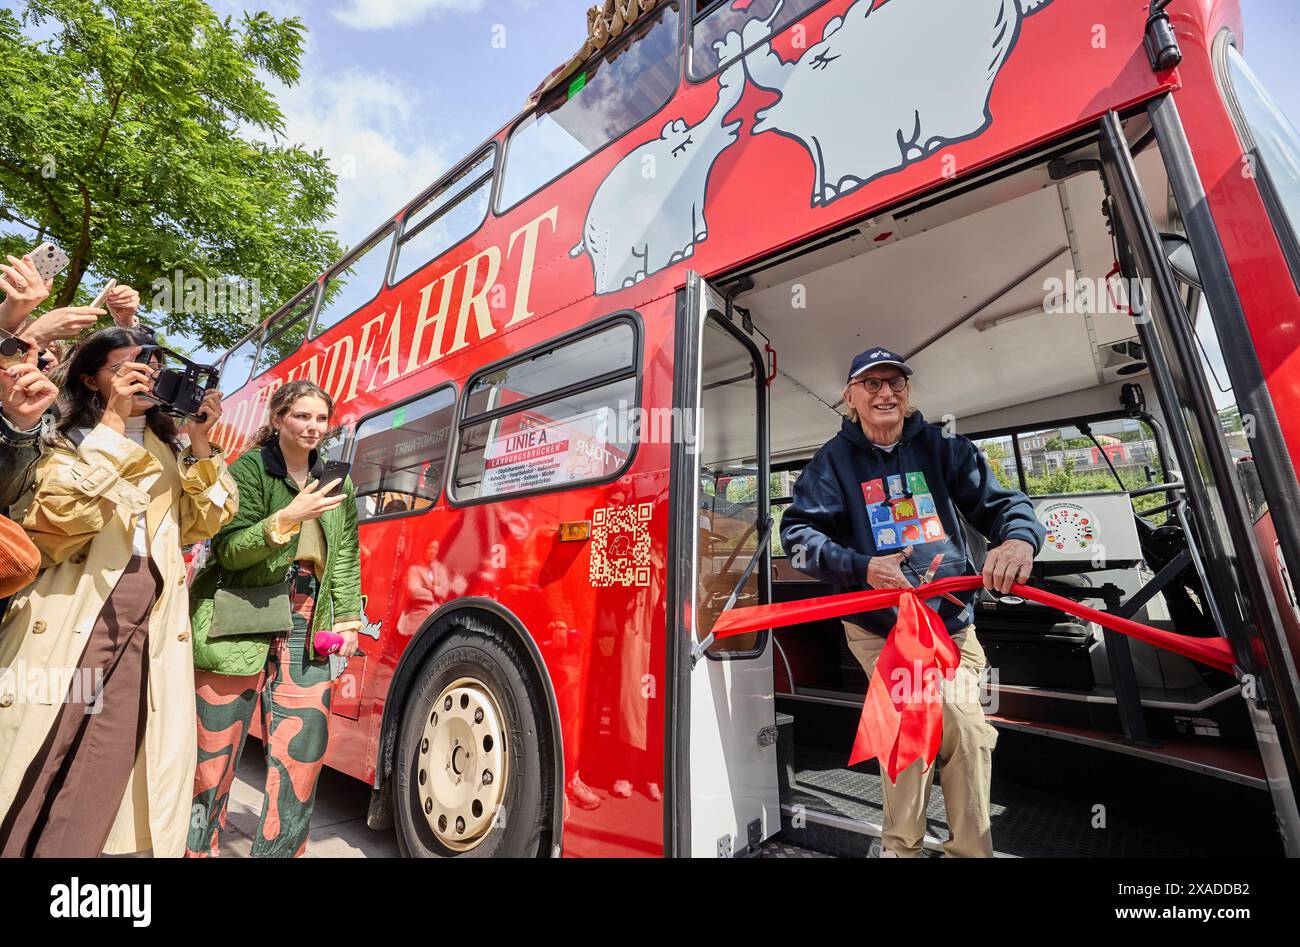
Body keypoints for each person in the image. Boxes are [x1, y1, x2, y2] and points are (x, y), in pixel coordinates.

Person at [780, 346, 1045, 858]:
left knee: (966, 730)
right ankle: (902, 849)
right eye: (872, 384)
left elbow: (1004, 504)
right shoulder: (832, 463)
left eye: (895, 383)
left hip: (951, 620)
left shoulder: (943, 447)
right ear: (849, 397)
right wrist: (862, 565)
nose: (885, 393)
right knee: (913, 722)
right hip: (881, 626)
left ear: (908, 391)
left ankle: (970, 852)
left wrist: (1016, 540)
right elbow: (798, 537)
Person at [0, 327, 236, 857]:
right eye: (124, 367)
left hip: (146, 620)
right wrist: (111, 421)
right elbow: (58, 524)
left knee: (105, 753)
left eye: (148, 365)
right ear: (89, 378)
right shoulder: (61, 434)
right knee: (47, 742)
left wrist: (199, 440)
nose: (141, 374)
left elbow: (207, 522)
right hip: (74, 609)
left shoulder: (166, 447)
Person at [186, 379, 362, 858]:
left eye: (321, 418)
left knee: (302, 752)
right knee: (213, 753)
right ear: (279, 418)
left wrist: (347, 619)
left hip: (308, 620)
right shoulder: (248, 470)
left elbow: (345, 553)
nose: (312, 426)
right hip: (240, 613)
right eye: (302, 415)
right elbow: (227, 550)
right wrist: (286, 518)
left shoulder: (337, 482)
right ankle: (197, 850)